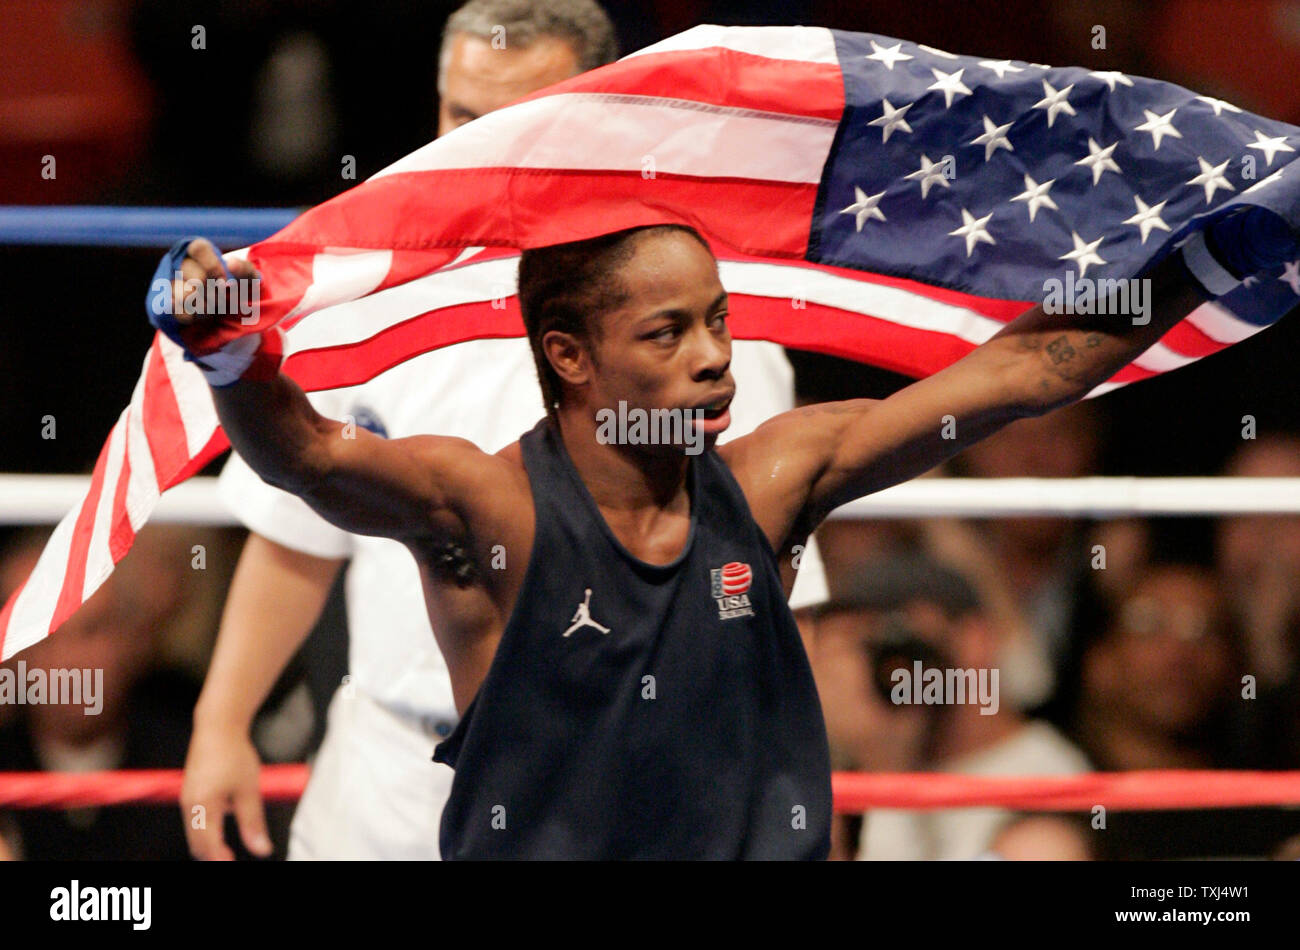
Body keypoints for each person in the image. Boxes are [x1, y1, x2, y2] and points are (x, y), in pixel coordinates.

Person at [160, 193, 1290, 856]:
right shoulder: (486, 500)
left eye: (719, 320)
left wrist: (1196, 263)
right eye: (667, 333)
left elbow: (1016, 374)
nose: (714, 357)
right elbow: (305, 452)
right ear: (570, 355)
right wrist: (228, 353)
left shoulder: (775, 474)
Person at [181, 0, 828, 861]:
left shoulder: (695, 323)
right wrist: (221, 722)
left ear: (600, 118)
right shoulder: (367, 294)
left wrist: (793, 793)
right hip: (385, 773)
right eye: (460, 118)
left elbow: (777, 588)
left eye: (516, 123)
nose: (473, 153)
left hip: (614, 788)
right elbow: (298, 528)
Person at [803, 555, 1091, 861]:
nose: (889, 666)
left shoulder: (1052, 777)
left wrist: (887, 768)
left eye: (897, 635)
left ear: (975, 640)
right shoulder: (844, 767)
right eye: (861, 646)